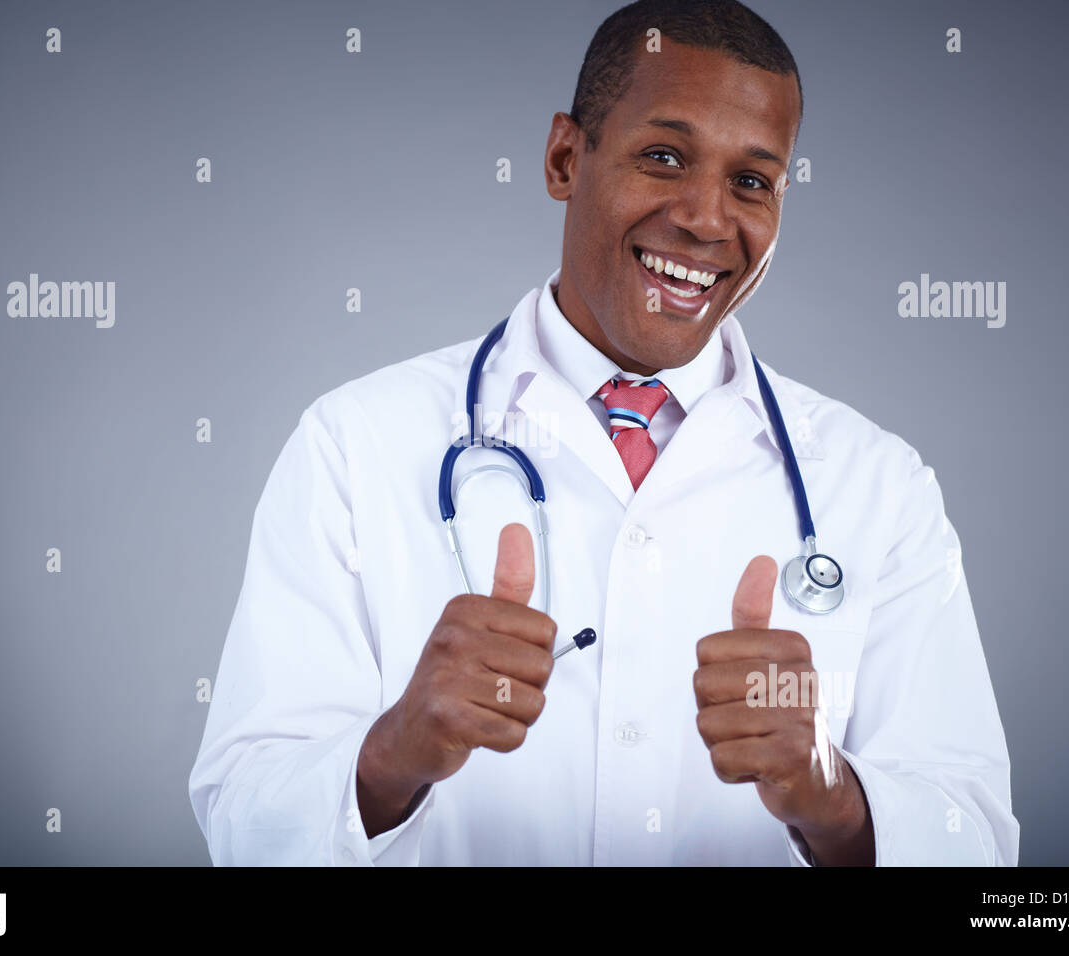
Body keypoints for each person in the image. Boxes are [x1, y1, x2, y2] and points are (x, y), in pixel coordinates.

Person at [188, 0, 1019, 866]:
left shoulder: (880, 486)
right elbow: (243, 823)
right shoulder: (353, 445)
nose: (706, 218)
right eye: (664, 157)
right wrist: (392, 755)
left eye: (752, 181)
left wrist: (834, 799)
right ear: (562, 157)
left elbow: (985, 854)